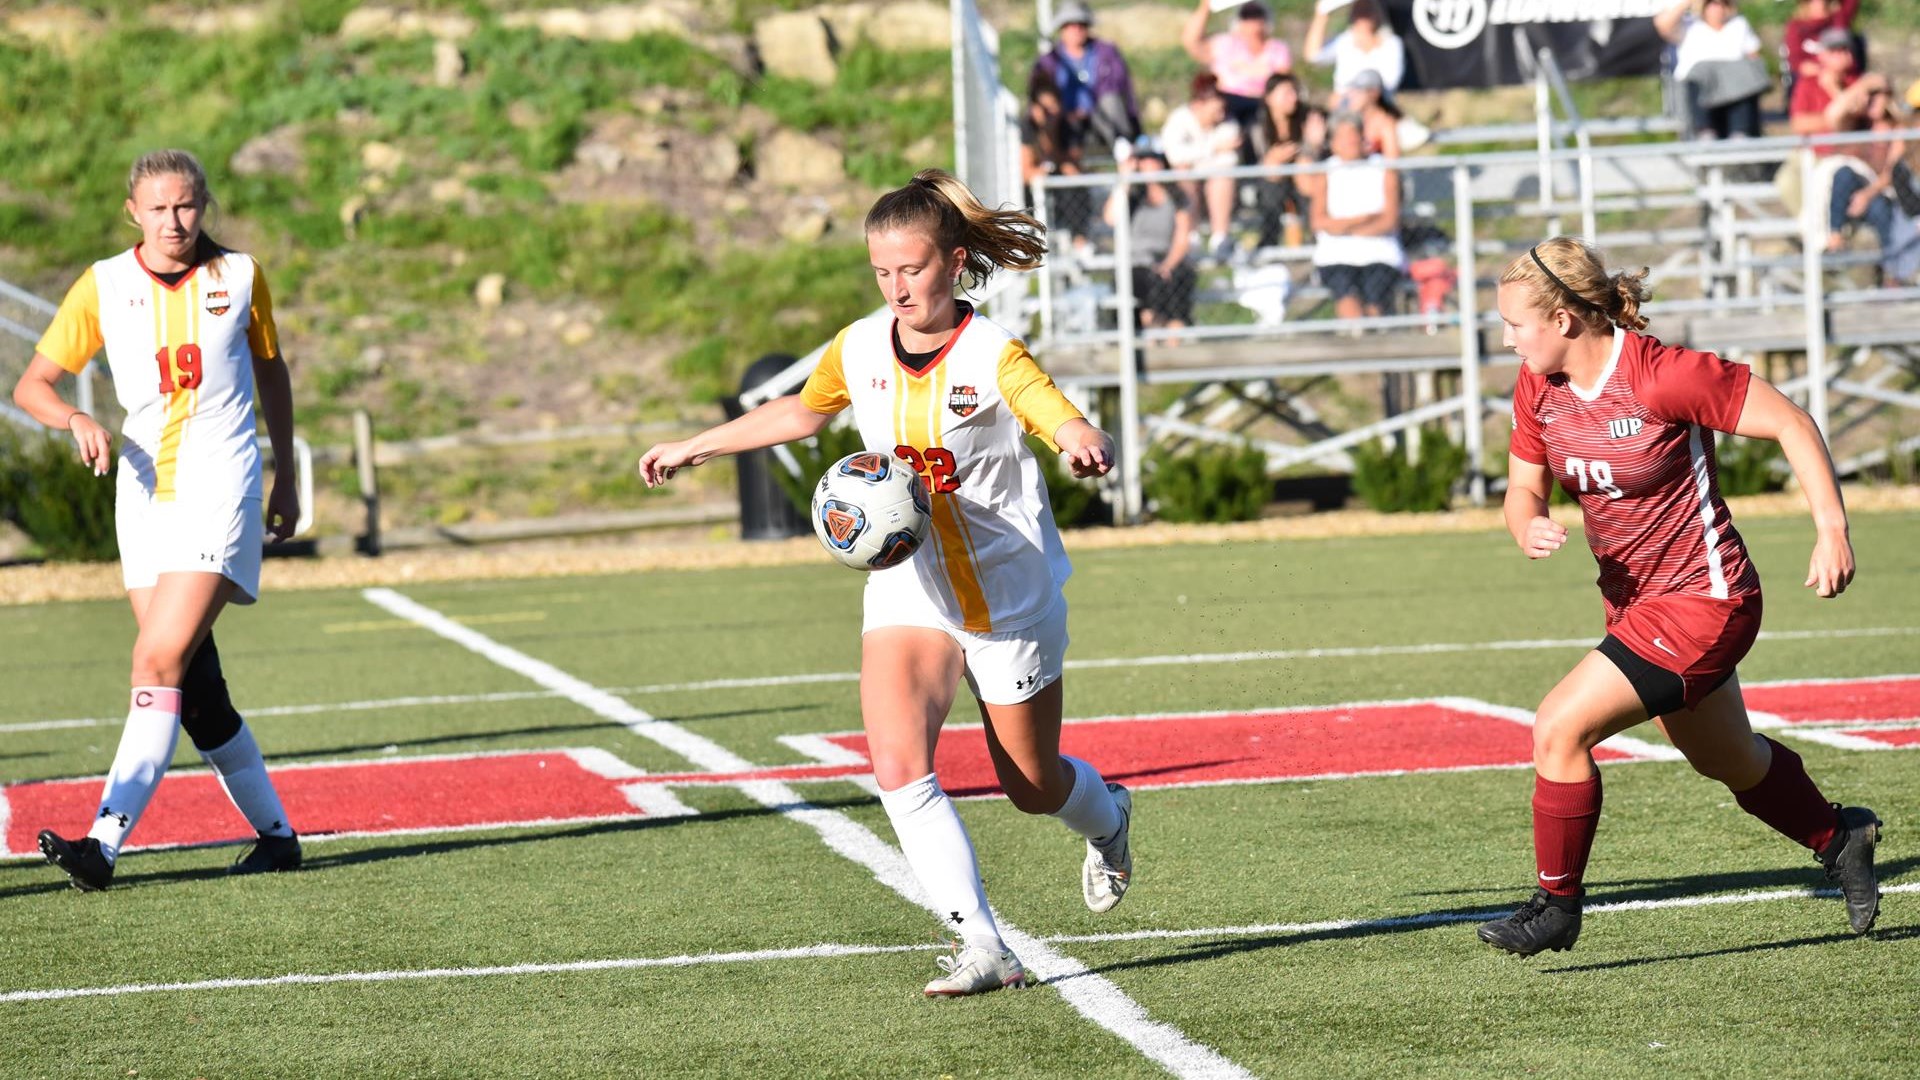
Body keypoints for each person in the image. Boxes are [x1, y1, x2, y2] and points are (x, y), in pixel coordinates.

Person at [636, 169, 1133, 997]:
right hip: (911, 584)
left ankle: (1109, 816)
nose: (898, 288)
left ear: (956, 262)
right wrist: (698, 445)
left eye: (913, 268)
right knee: (899, 762)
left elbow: (1048, 407)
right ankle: (983, 945)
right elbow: (802, 410)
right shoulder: (860, 344)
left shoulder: (992, 352)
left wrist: (1079, 434)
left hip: (1006, 595)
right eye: (882, 272)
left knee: (1032, 784)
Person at [1476, 236, 1881, 957]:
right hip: (1637, 608)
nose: (1506, 339)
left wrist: (1832, 528)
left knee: (1558, 728)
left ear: (1565, 320)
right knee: (1728, 760)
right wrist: (1526, 524)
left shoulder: (1663, 375)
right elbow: (1522, 488)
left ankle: (1556, 905)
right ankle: (1841, 836)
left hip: (1706, 599)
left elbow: (1790, 421)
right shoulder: (1541, 385)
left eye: (1515, 324)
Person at [11, 149, 304, 891]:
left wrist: (288, 474)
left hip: (221, 489)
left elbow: (272, 371)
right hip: (141, 497)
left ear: (204, 205)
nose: (175, 221)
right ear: (132, 212)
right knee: (195, 687)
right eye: (159, 208)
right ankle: (279, 837)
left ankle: (102, 845)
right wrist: (75, 416)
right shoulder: (104, 283)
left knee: (156, 662)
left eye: (187, 205)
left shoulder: (240, 276)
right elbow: (32, 386)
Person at [1305, 112, 1404, 322]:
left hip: (1380, 252)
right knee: (1346, 294)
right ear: (1333, 143)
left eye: (1354, 134)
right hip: (1336, 254)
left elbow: (1390, 221)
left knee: (1374, 294)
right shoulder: (1325, 171)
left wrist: (1342, 227)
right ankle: (1356, 339)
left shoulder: (1384, 167)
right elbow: (1319, 222)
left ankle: (1376, 344)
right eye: (1343, 136)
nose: (1350, 141)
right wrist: (1364, 219)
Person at [1029, 1, 1141, 155]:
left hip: (1102, 121)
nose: (1076, 30)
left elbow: (1120, 90)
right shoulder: (1049, 62)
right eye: (1070, 25)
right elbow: (1038, 96)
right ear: (1062, 28)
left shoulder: (1107, 54)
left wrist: (1089, 112)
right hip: (1063, 124)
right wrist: (1063, 112)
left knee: (1110, 101)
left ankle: (1125, 150)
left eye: (1081, 24)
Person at [1104, 150, 1197, 336]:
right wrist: (1125, 179)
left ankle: (1174, 340)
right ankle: (1151, 335)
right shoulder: (1131, 196)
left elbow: (1182, 237)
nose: (1149, 166)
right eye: (1143, 161)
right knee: (1143, 281)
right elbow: (1110, 218)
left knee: (1174, 277)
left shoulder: (1176, 197)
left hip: (1166, 259)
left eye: (1153, 161)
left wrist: (1168, 264)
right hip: (1136, 263)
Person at [1655, 0, 1767, 141]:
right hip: (1701, 89)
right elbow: (1663, 26)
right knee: (1700, 76)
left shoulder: (1739, 25)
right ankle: (1705, 132)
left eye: (1721, 4)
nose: (1717, 9)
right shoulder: (1690, 27)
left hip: (1735, 89)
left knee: (1743, 75)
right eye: (1712, 4)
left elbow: (1753, 58)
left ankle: (1741, 132)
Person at [1161, 72, 1243, 260]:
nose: (1221, 107)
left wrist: (1196, 158)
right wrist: (1213, 149)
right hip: (1188, 184)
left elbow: (1228, 159)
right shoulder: (1179, 120)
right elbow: (1176, 156)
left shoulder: (1227, 122)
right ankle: (1190, 235)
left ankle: (1220, 238)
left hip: (1214, 184)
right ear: (1199, 103)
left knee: (1222, 175)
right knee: (1183, 173)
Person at [1182, 1, 1292, 133]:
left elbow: (1282, 84)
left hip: (1262, 110)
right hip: (1227, 109)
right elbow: (1191, 42)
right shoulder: (1226, 44)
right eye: (1247, 15)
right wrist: (1206, 6)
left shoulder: (1277, 49)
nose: (1252, 20)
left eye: (1257, 14)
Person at [1249, 73, 1324, 248]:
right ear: (1269, 98)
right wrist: (1274, 158)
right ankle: (1269, 239)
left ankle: (1318, 234)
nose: (1294, 98)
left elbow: (1315, 154)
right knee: (1273, 167)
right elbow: (1256, 162)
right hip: (1272, 186)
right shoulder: (1258, 129)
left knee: (1303, 168)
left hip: (1304, 184)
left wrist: (1313, 146)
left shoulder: (1307, 120)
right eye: (1287, 93)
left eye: (1294, 92)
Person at [1304, 0, 1405, 103]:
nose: (1363, 14)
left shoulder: (1391, 43)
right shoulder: (1344, 41)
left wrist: (1356, 95)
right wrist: (1321, 15)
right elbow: (1313, 55)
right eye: (1359, 9)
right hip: (1344, 111)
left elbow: (1390, 84)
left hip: (1378, 107)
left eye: (1367, 10)